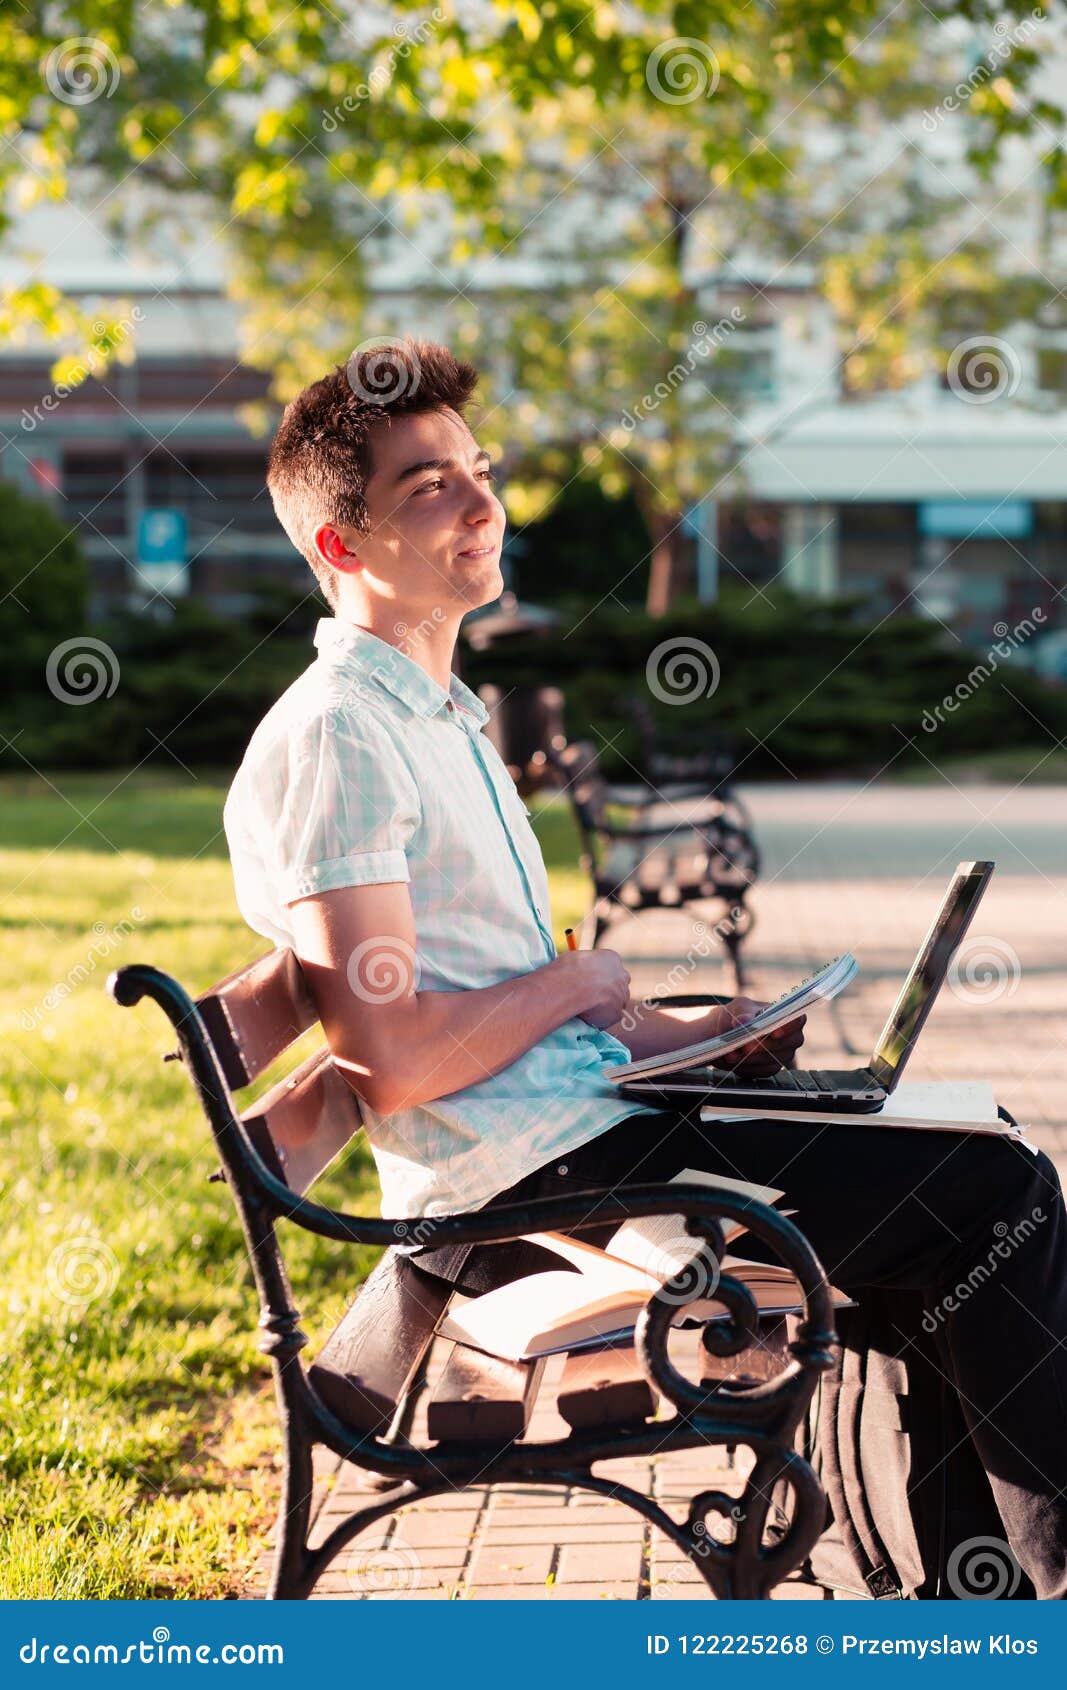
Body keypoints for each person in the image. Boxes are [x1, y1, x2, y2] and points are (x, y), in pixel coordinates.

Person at [224, 337, 1067, 1599]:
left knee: (966, 1155)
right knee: (995, 1193)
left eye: (476, 468)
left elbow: (487, 1018)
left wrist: (686, 1033)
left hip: (572, 1136)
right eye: (427, 486)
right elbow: (389, 1061)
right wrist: (580, 987)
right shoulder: (345, 736)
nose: (479, 500)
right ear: (340, 547)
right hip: (526, 1188)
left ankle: (969, 1602)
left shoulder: (434, 715)